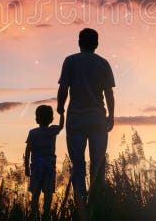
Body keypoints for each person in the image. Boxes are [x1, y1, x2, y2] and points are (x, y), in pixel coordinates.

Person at [57, 28, 115, 208]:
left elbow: (63, 88)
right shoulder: (103, 63)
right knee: (98, 163)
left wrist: (60, 108)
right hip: (97, 118)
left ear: (79, 42)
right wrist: (111, 115)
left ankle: (80, 204)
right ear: (96, 44)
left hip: (76, 119)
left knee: (78, 164)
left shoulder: (70, 61)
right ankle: (97, 203)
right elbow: (109, 93)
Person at [24, 105, 65, 220]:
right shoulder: (52, 130)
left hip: (36, 168)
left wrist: (26, 166)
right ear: (51, 119)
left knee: (35, 196)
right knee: (48, 196)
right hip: (49, 168)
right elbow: (61, 126)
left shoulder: (33, 133)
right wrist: (62, 113)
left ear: (37, 119)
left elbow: (28, 151)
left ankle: (33, 216)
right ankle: (46, 216)